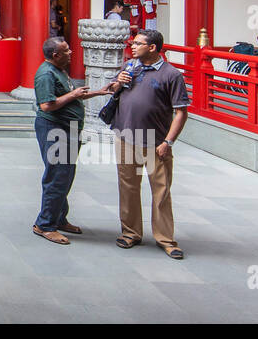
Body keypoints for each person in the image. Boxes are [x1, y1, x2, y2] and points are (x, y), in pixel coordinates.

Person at [107, 29, 190, 259]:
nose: (132, 47)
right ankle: (130, 232)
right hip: (125, 137)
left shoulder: (171, 74)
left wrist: (168, 142)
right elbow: (112, 91)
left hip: (156, 142)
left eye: (137, 44)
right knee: (128, 187)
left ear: (152, 48)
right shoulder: (130, 67)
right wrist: (117, 83)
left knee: (161, 190)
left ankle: (165, 238)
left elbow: (181, 112)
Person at [32, 37, 101, 245]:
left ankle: (59, 217)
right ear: (56, 55)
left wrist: (101, 91)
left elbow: (73, 95)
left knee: (66, 174)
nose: (71, 52)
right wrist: (73, 95)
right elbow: (47, 105)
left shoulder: (60, 70)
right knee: (57, 175)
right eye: (67, 50)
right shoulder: (46, 74)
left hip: (68, 129)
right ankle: (44, 224)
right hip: (55, 128)